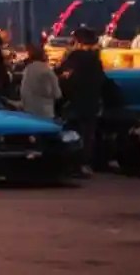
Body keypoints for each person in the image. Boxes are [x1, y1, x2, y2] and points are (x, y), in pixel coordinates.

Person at [58, 27, 106, 176]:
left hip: (74, 104)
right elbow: (101, 81)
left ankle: (73, 165)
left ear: (77, 41)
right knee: (88, 135)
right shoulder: (95, 60)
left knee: (73, 134)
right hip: (91, 103)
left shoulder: (75, 57)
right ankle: (85, 163)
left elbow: (63, 78)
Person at [19, 44, 60, 119]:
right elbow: (57, 94)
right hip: (45, 112)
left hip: (28, 110)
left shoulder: (28, 70)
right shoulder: (47, 71)